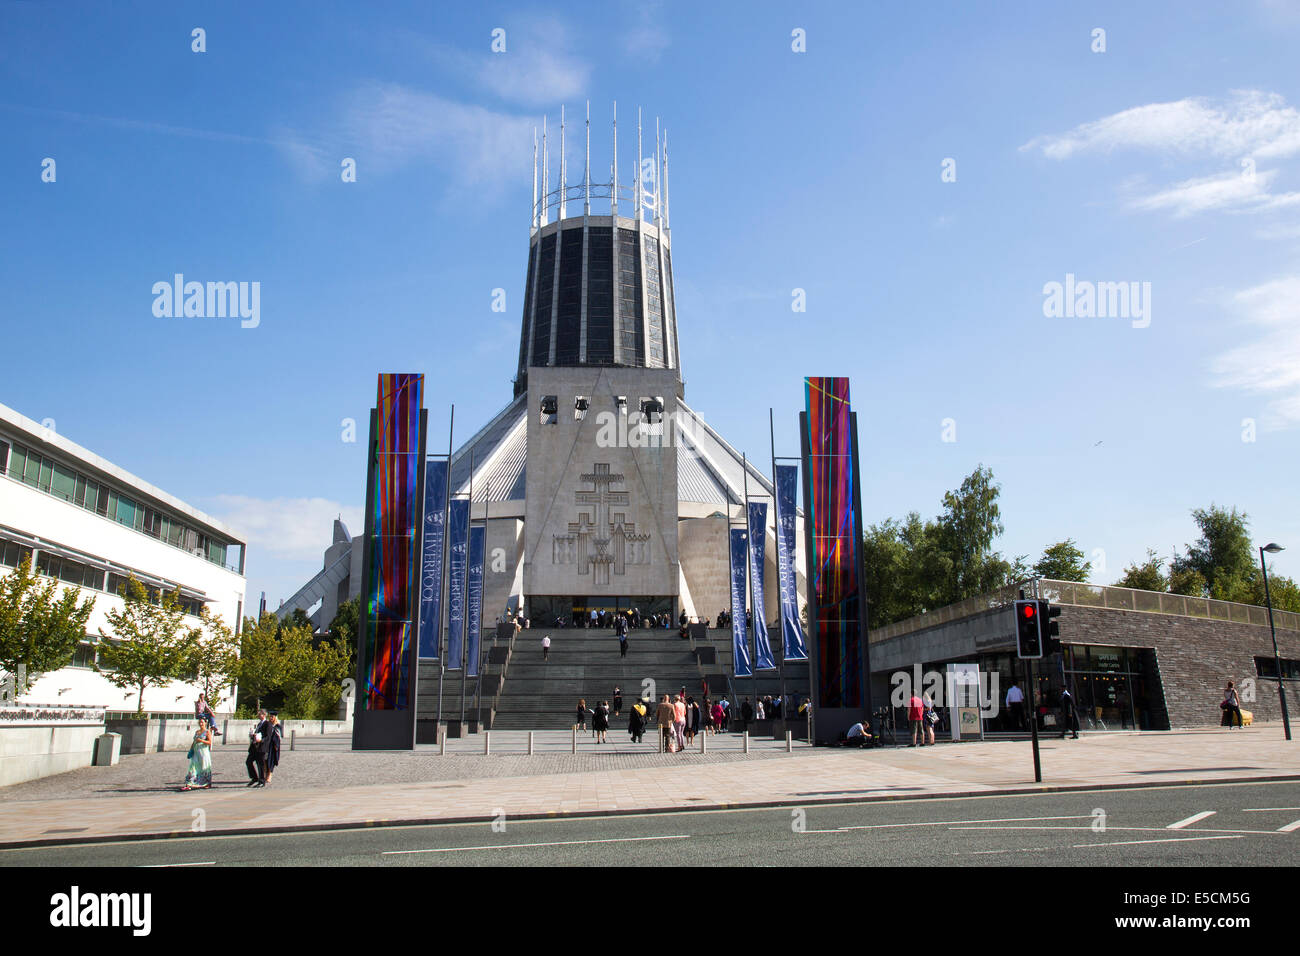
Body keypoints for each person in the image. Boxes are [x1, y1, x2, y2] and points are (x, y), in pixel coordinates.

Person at [182, 716, 213, 790]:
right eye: (199, 722)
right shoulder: (197, 732)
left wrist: (201, 740)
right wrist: (191, 750)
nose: (201, 723)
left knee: (204, 767)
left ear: (205, 723)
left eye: (202, 722)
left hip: (203, 752)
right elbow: (194, 741)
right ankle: (189, 783)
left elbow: (209, 742)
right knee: (193, 767)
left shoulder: (207, 732)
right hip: (196, 752)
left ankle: (206, 783)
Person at [246, 708, 268, 786]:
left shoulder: (267, 724)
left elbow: (268, 737)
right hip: (254, 747)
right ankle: (254, 777)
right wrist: (253, 735)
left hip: (261, 747)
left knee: (260, 764)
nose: (258, 716)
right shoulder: (259, 724)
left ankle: (262, 780)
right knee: (248, 762)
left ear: (264, 715)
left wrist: (261, 740)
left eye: (260, 714)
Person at [261, 713, 283, 785]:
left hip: (273, 747)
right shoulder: (267, 725)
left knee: (271, 761)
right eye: (270, 716)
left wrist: (276, 745)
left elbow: (278, 737)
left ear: (275, 718)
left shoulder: (278, 726)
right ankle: (264, 774)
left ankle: (269, 774)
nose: (271, 718)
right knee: (265, 760)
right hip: (266, 745)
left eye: (272, 717)